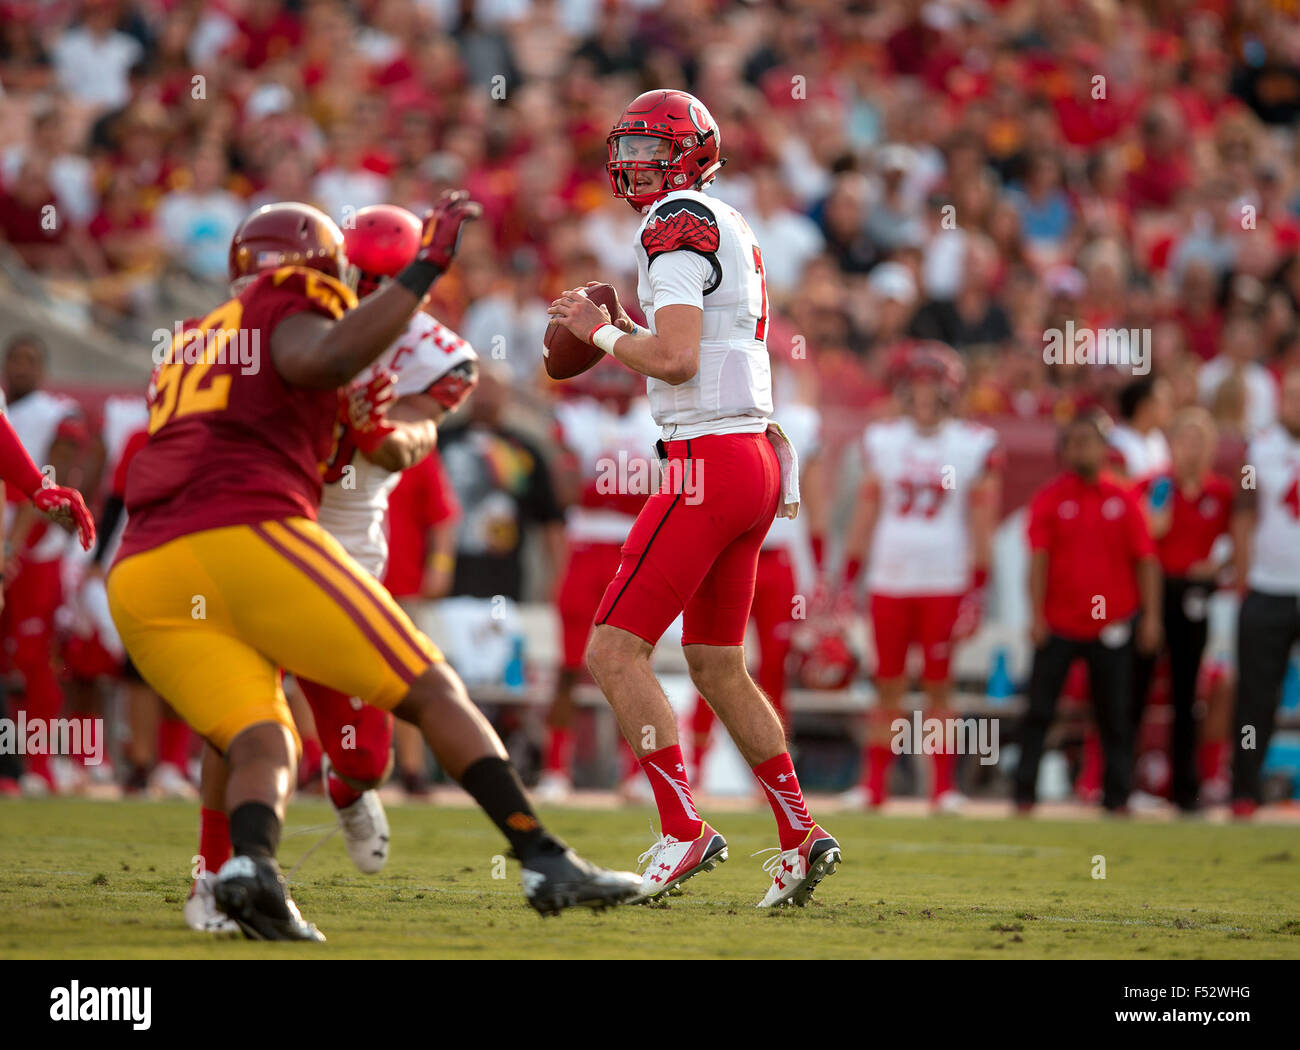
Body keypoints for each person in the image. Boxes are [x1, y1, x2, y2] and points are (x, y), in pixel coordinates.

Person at [107, 196, 640, 940]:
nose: (356, 288)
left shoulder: (197, 336)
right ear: (329, 267)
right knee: (429, 688)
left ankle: (250, 875)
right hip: (255, 536)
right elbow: (317, 360)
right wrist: (425, 269)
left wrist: (369, 423)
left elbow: (388, 434)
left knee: (269, 737)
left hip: (151, 567)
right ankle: (541, 855)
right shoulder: (298, 306)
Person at [547, 90, 840, 908]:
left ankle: (681, 829)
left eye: (650, 147)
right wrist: (619, 321)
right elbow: (692, 343)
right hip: (751, 458)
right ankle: (800, 833)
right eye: (629, 148)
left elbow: (675, 359)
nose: (634, 163)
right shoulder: (724, 219)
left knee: (612, 652)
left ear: (689, 153)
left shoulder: (675, 222)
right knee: (716, 663)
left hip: (705, 460)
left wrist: (597, 329)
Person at [183, 203, 484, 932]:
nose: (372, 295)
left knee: (366, 753)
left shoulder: (438, 352)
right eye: (363, 279)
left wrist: (372, 425)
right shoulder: (290, 323)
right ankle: (212, 876)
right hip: (263, 529)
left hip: (346, 554)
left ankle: (348, 789)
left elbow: (405, 446)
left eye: (391, 282)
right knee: (243, 715)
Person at [840, 343, 1001, 811]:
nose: (925, 396)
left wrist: (978, 588)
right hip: (890, 577)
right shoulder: (884, 439)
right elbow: (867, 512)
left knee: (938, 685)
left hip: (944, 579)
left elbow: (983, 522)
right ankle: (875, 785)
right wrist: (847, 576)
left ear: (951, 391)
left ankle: (941, 787)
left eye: (934, 387)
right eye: (918, 386)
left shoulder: (973, 442)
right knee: (887, 683)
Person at [1017, 412, 1162, 814]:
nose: (1081, 448)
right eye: (1074, 441)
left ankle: (1116, 797)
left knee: (1115, 714)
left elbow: (1146, 559)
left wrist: (1151, 617)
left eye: (1088, 440)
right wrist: (1035, 616)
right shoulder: (1050, 498)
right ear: (1063, 450)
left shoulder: (1124, 497)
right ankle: (1023, 793)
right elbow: (1038, 559)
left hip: (1112, 624)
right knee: (1040, 710)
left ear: (1104, 448)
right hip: (1060, 622)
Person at [1132, 407, 1232, 812]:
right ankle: (1123, 782)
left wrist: (1219, 567)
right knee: (1136, 686)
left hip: (1195, 593)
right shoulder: (1156, 485)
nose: (1193, 448)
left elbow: (1236, 542)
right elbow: (1148, 536)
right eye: (1186, 439)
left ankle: (1186, 787)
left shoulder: (1220, 493)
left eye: (1201, 440)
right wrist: (1164, 502)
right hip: (1155, 590)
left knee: (1187, 691)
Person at [1230, 366, 1300, 817]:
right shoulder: (1259, 448)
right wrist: (1242, 578)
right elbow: (1243, 511)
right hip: (1269, 587)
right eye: (1290, 394)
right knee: (1255, 696)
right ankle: (1244, 790)